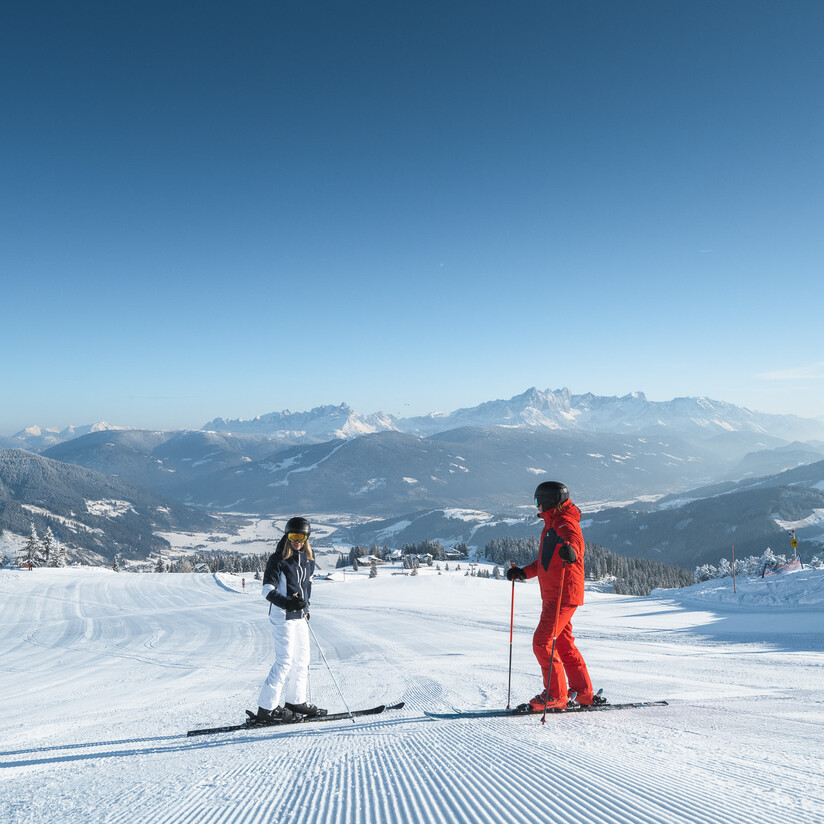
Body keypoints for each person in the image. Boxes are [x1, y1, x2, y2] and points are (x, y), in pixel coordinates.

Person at [506, 481, 599, 711]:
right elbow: (545, 562)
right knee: (564, 643)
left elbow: (575, 542)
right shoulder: (551, 523)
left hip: (562, 594)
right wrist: (523, 573)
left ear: (548, 501)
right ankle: (583, 693)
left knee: (542, 642)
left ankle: (556, 696)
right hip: (553, 594)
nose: (536, 506)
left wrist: (572, 551)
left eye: (538, 501)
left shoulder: (564, 522)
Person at [255, 516, 327, 723]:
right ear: (287, 536)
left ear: (307, 538)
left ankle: (296, 701)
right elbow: (267, 590)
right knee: (285, 660)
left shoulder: (308, 559)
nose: (297, 541)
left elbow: (307, 586)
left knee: (302, 660)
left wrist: (306, 607)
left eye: (301, 537)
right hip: (282, 615)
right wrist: (287, 603)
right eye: (294, 536)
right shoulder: (278, 559)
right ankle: (266, 709)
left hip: (299, 616)